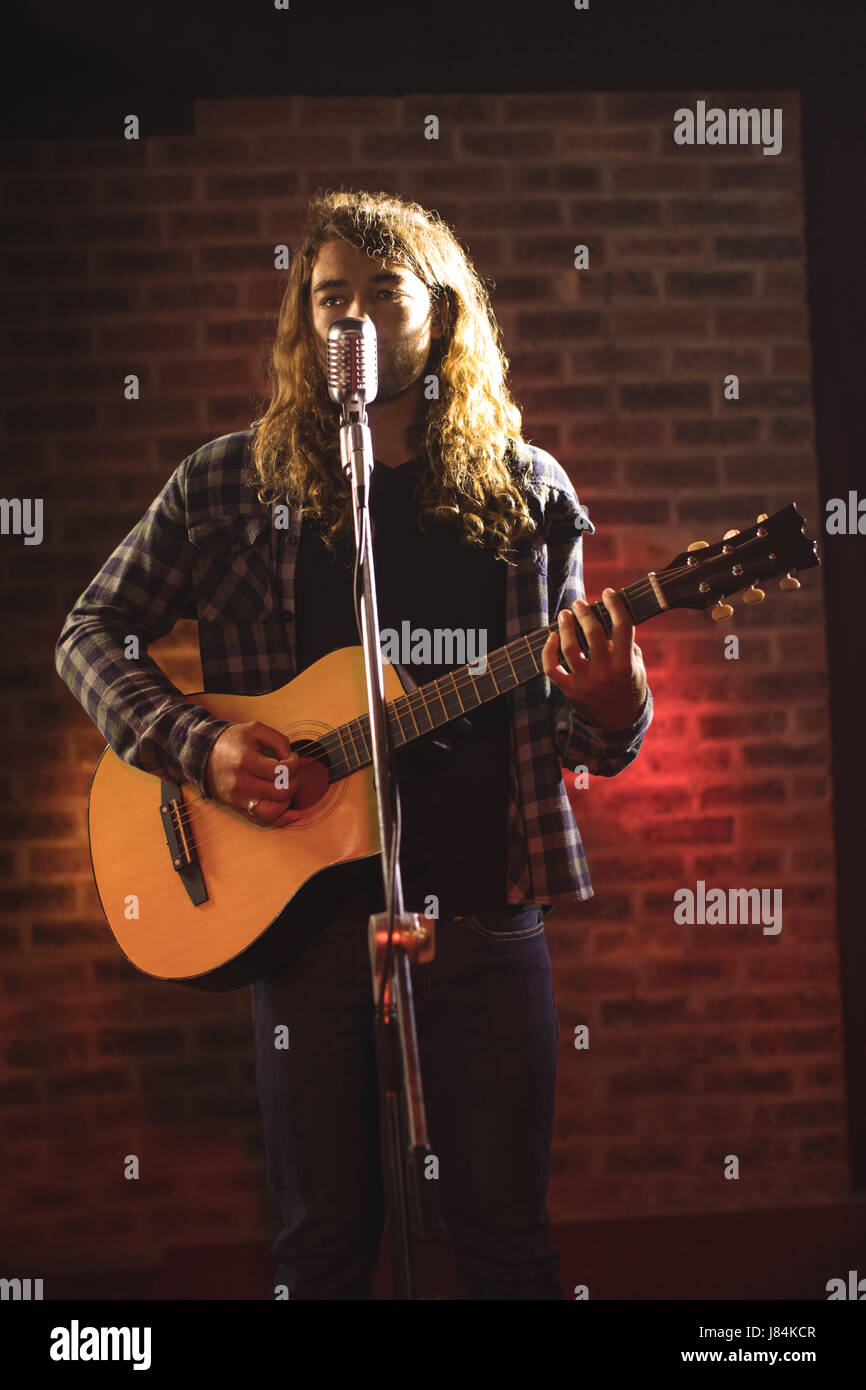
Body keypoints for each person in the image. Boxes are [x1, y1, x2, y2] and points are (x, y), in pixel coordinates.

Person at [56, 188, 652, 1300]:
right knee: (321, 1250)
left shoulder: (525, 495)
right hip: (301, 919)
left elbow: (585, 739)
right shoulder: (228, 483)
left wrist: (613, 698)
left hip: (484, 907)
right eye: (331, 298)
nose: (355, 322)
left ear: (443, 316)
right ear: (304, 324)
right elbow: (88, 632)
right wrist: (199, 747)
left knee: (507, 1248)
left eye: (385, 295)